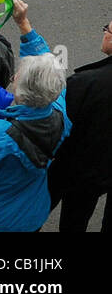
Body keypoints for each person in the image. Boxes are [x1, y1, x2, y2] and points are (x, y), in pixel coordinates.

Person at [0, 0, 70, 232]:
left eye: (18, 74)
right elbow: (45, 62)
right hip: (31, 214)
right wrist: (23, 24)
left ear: (19, 88)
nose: (15, 75)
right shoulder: (58, 111)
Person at [47, 17, 112, 231]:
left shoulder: (86, 82)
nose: (105, 33)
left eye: (108, 30)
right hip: (101, 169)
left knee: (64, 215)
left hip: (78, 168)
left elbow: (57, 126)